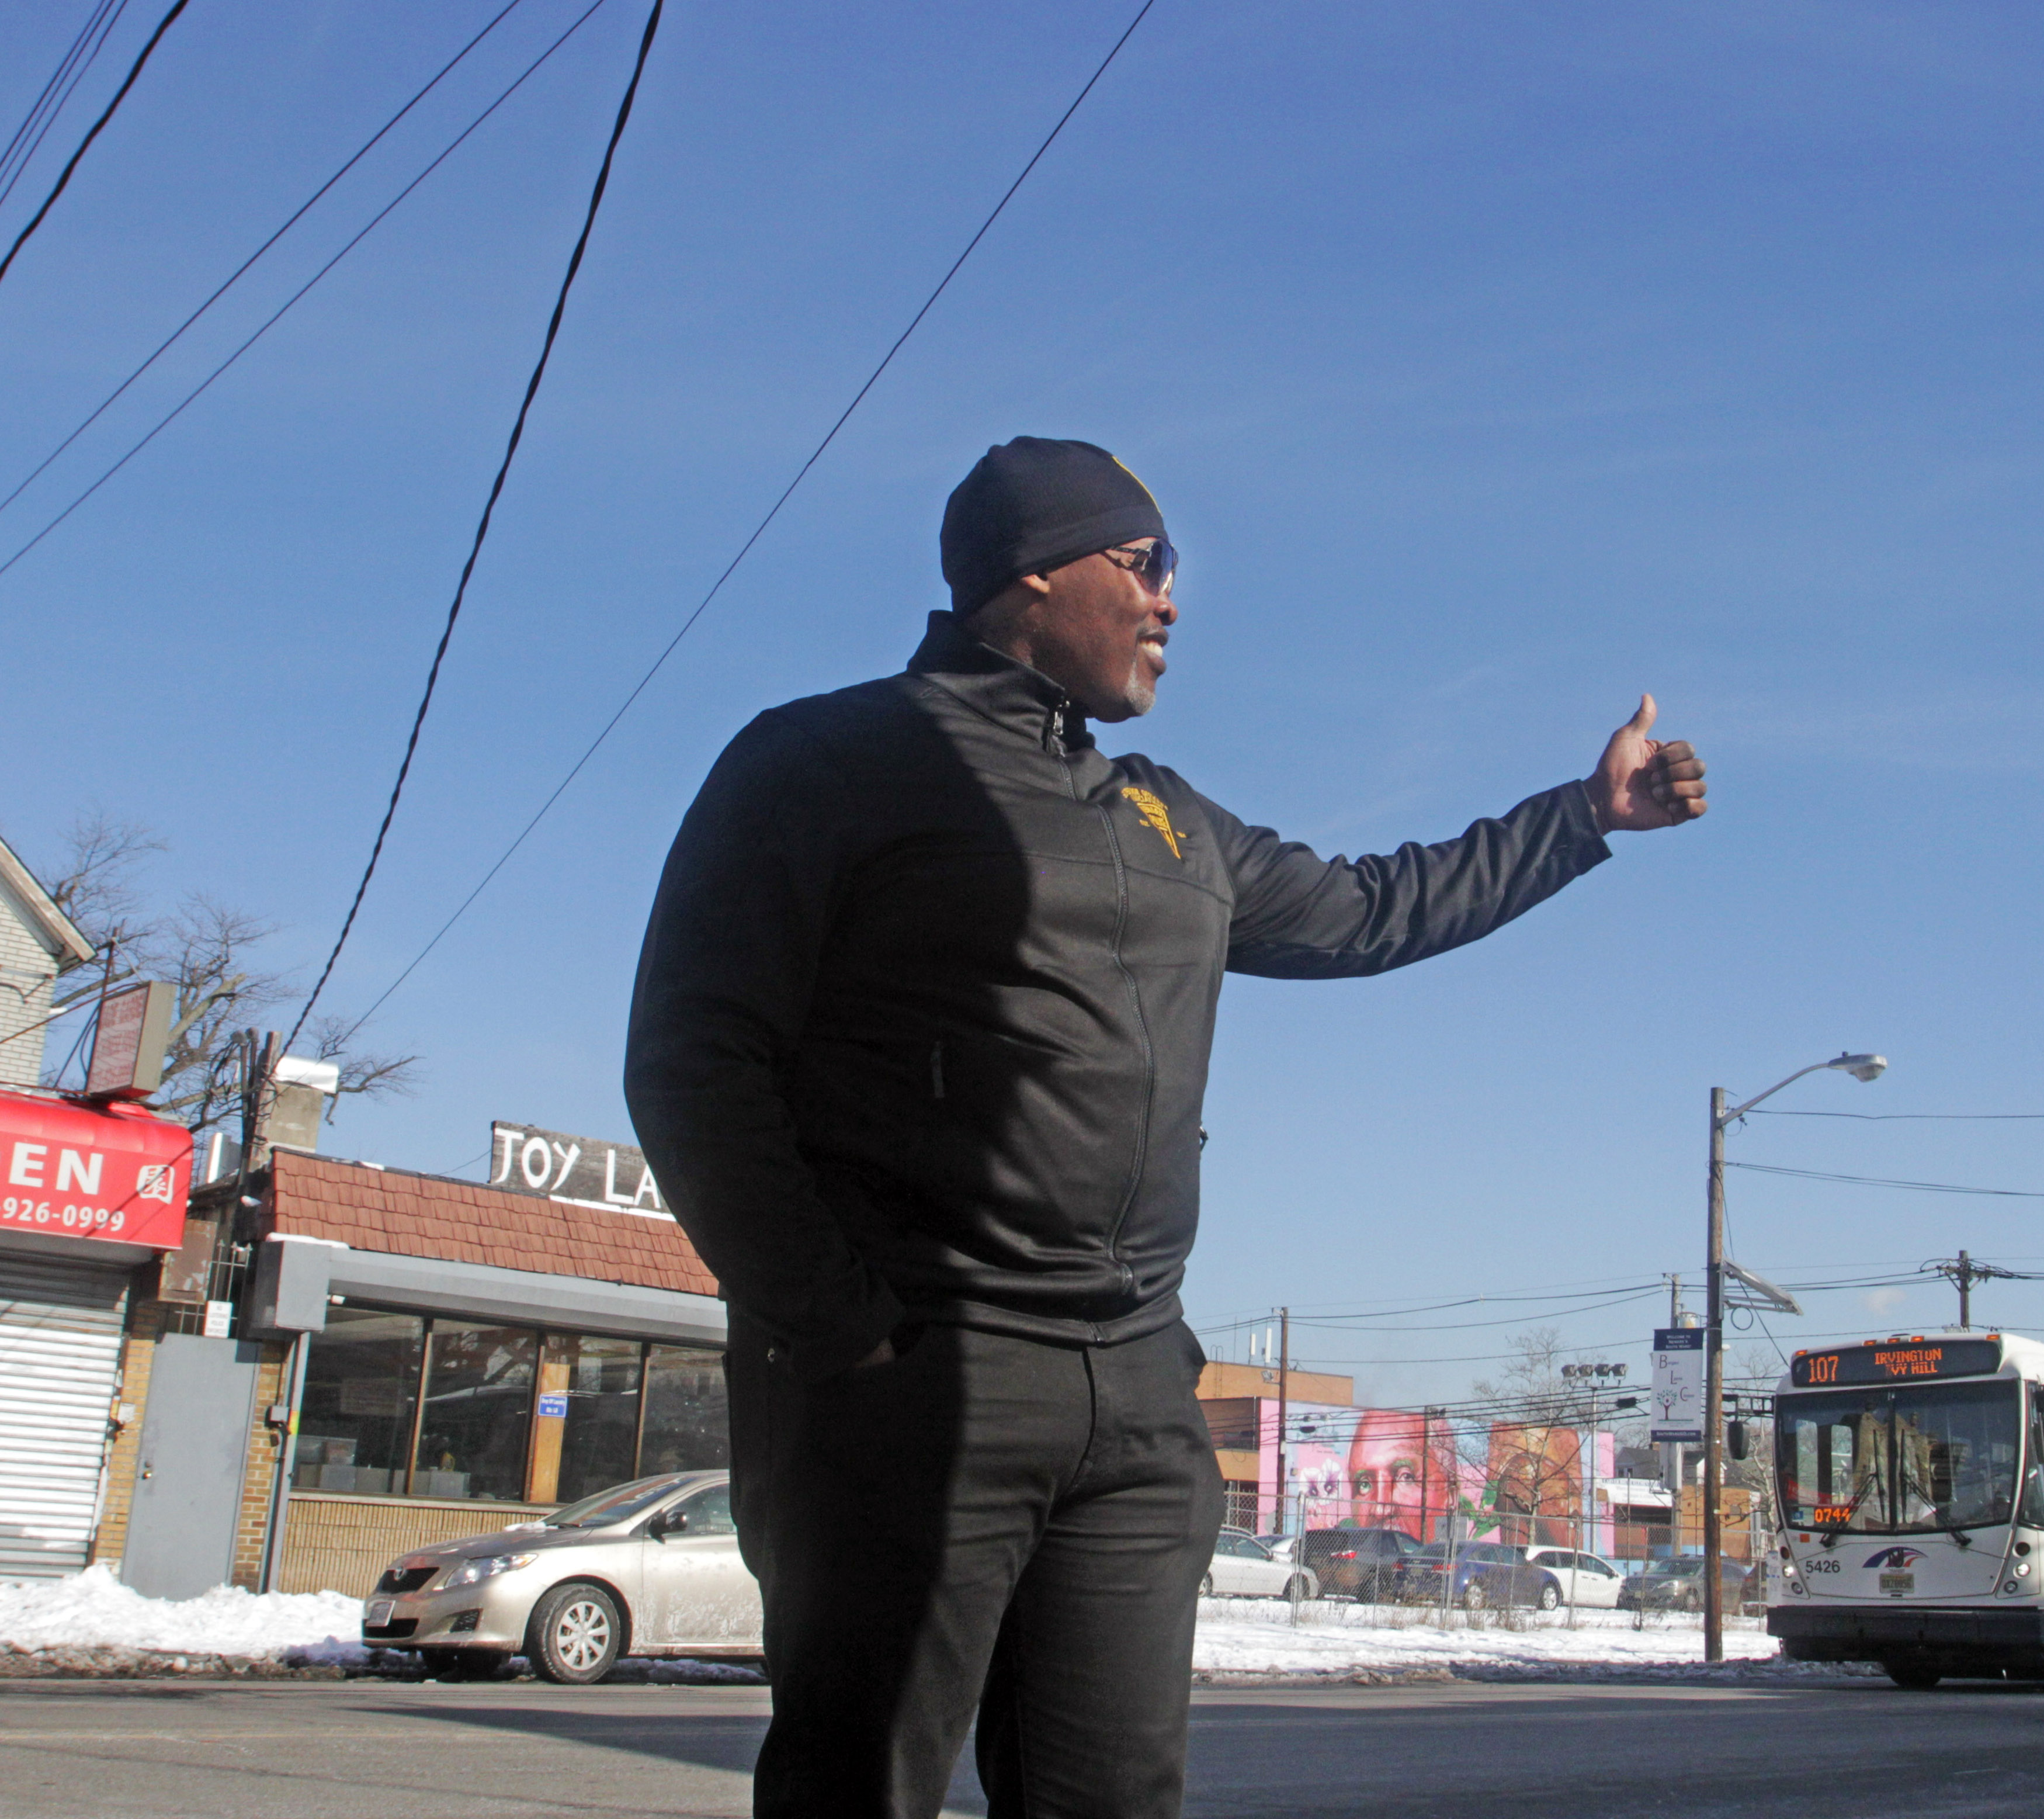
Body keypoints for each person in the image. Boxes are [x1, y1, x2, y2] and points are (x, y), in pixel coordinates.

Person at [624, 435, 1706, 1818]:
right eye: (1143, 563)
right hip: (916, 1381)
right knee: (860, 1791)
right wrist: (843, 1329)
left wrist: (1581, 817)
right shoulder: (824, 760)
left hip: (1133, 1395)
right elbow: (694, 1064)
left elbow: (1371, 907)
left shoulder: (1165, 818)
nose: (1169, 600)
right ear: (1032, 569)